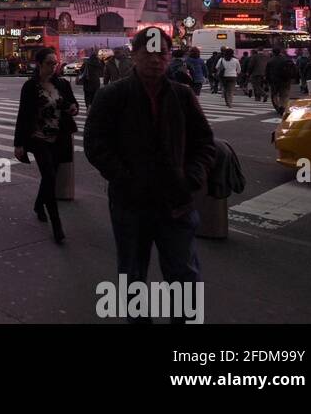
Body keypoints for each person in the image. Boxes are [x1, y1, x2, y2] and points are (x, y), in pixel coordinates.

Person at [84, 28, 216, 322]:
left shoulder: (182, 96)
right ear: (134, 56)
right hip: (131, 204)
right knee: (132, 275)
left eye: (162, 54)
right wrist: (124, 178)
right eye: (148, 53)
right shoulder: (112, 95)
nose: (155, 60)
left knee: (183, 275)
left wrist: (191, 178)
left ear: (169, 58)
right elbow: (95, 144)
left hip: (176, 204)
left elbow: (204, 143)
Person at [13, 47, 78, 244]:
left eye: (55, 63)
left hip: (59, 138)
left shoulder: (63, 84)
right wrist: (18, 144)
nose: (53, 67)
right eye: (49, 63)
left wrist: (72, 108)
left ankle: (39, 204)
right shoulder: (30, 86)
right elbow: (23, 115)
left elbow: (73, 105)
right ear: (39, 64)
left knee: (51, 176)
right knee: (49, 176)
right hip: (38, 138)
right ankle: (57, 225)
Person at [265, 47, 295, 116]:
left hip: (274, 81)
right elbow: (293, 68)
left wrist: (267, 82)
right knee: (285, 95)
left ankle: (278, 107)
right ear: (280, 52)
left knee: (274, 95)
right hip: (286, 80)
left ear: (273, 52)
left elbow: (267, 73)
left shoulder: (270, 61)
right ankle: (283, 106)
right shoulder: (286, 59)